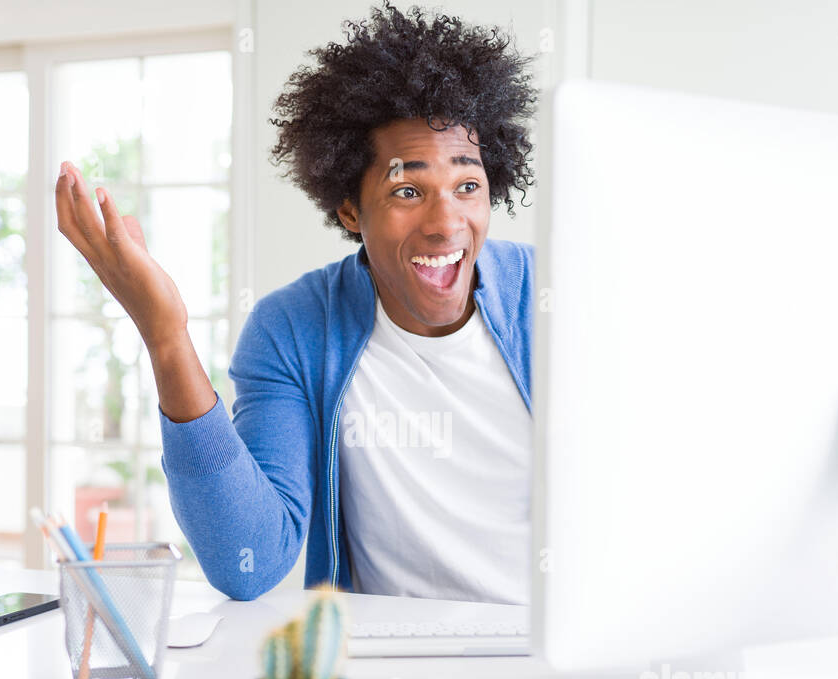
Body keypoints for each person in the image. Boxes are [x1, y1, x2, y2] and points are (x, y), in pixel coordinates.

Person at [54, 2, 537, 602]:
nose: (446, 224)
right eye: (408, 190)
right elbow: (247, 563)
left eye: (468, 186)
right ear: (350, 209)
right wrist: (165, 336)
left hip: (557, 656)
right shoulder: (295, 327)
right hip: (387, 673)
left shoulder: (551, 301)